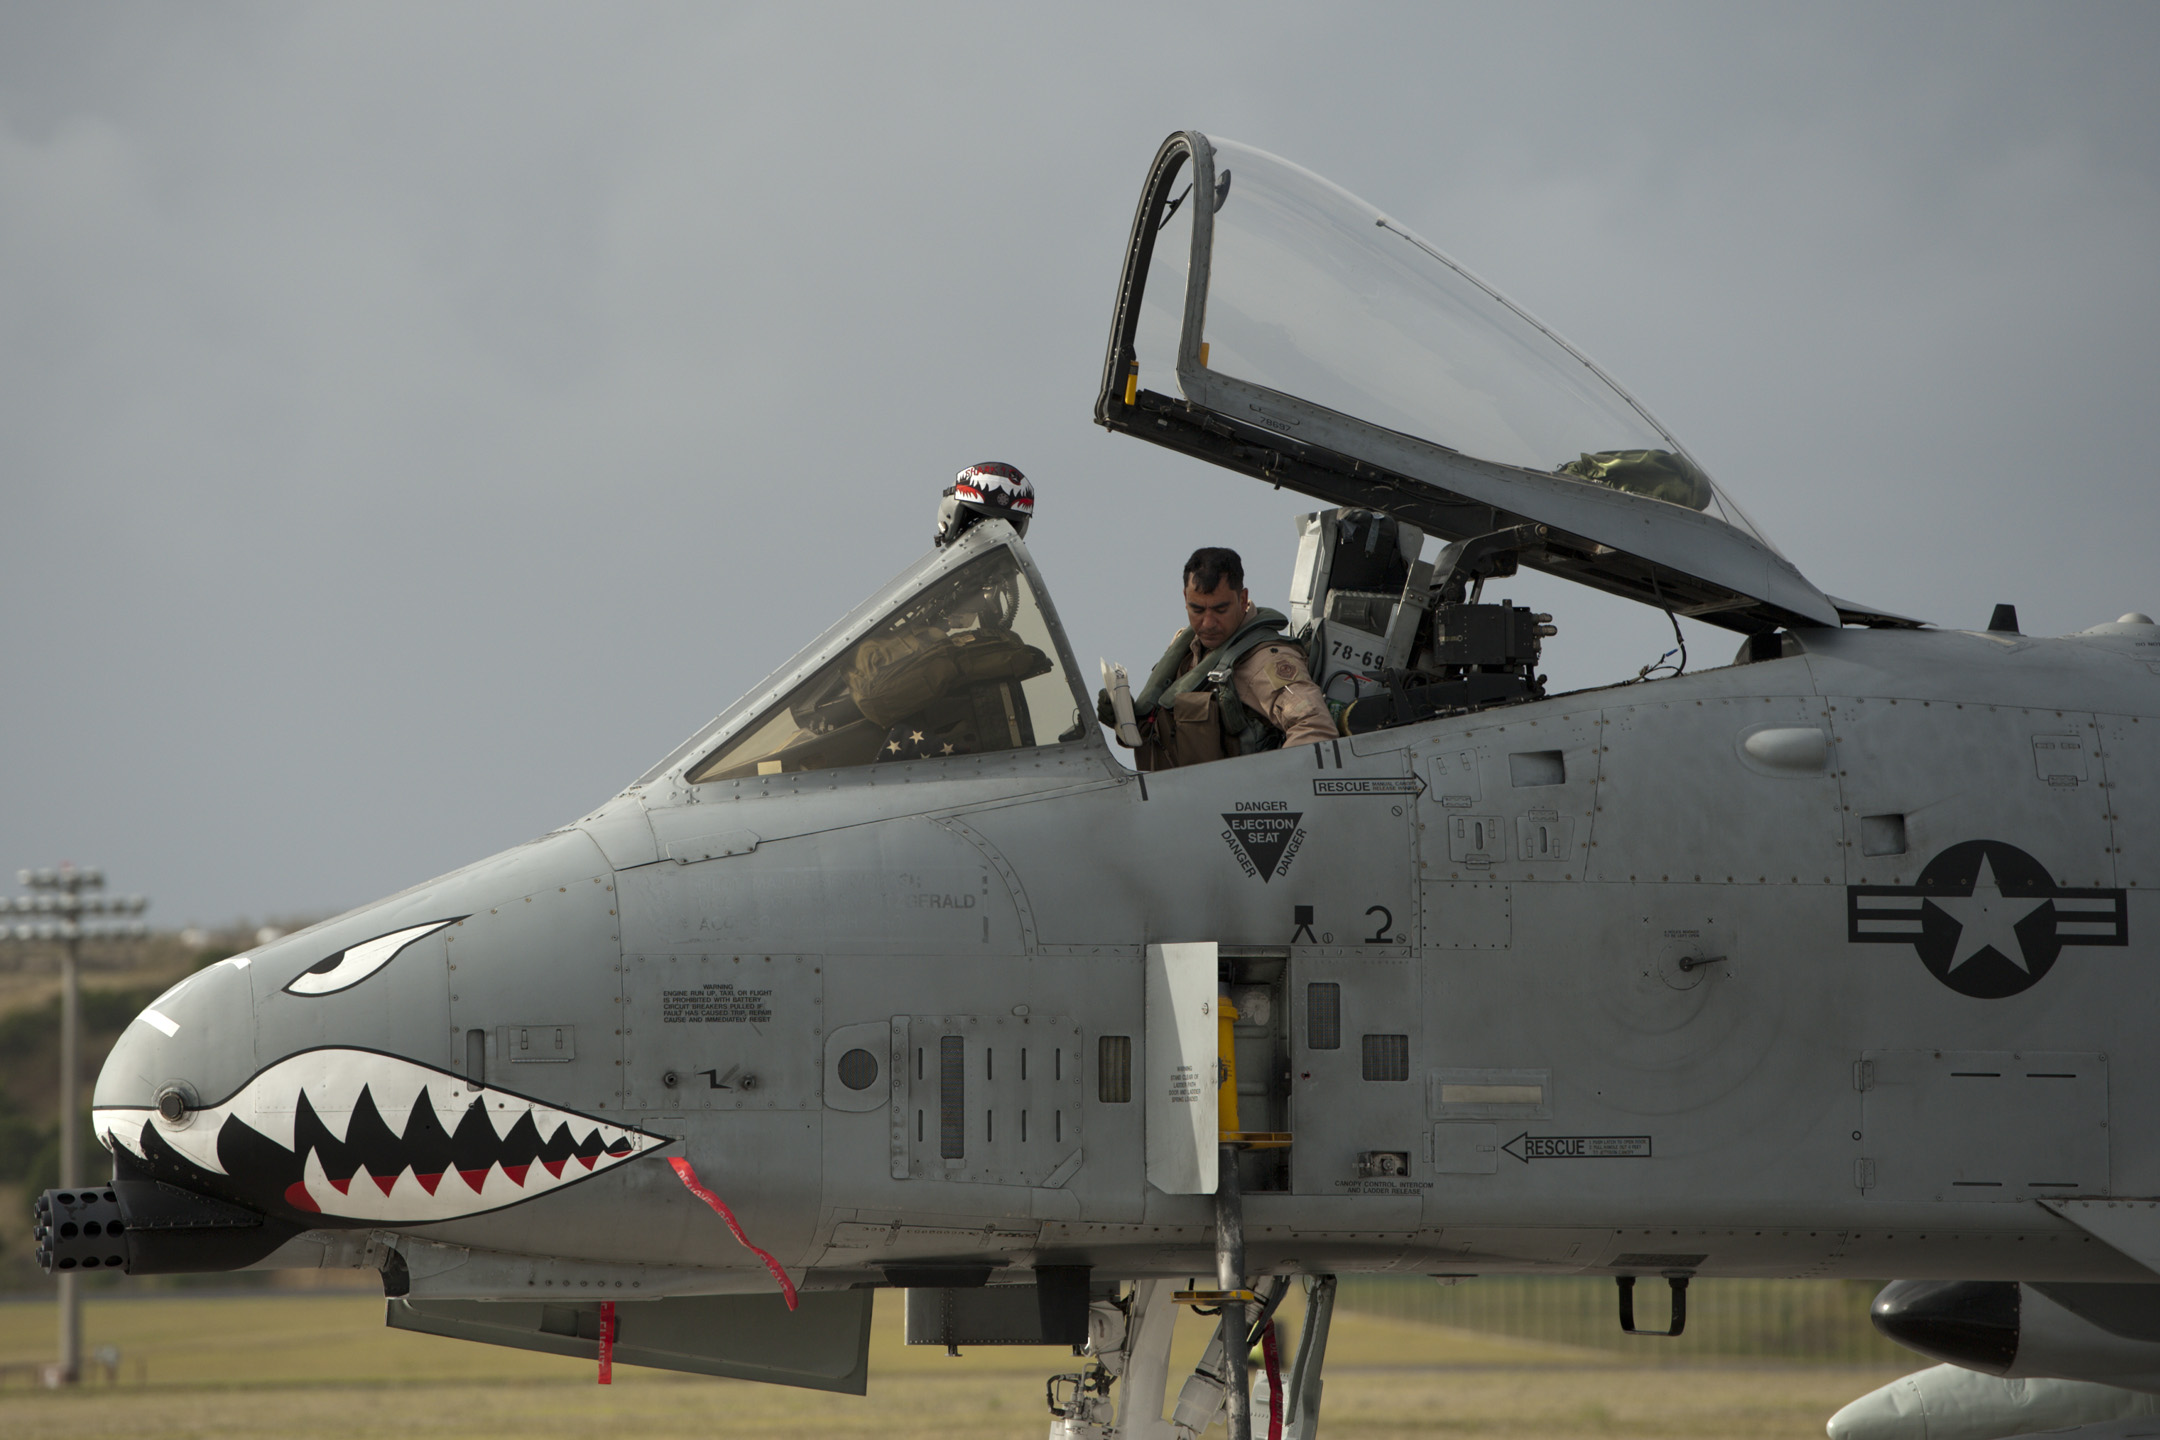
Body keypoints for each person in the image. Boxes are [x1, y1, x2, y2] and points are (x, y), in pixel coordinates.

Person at [1107, 547, 1337, 770]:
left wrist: (1269, 790)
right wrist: (1123, 721)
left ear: (1242, 598)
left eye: (1220, 610)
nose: (1208, 623)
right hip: (1179, 798)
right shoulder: (1188, 648)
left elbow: (1314, 727)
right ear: (1185, 598)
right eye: (1197, 610)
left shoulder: (1265, 661)